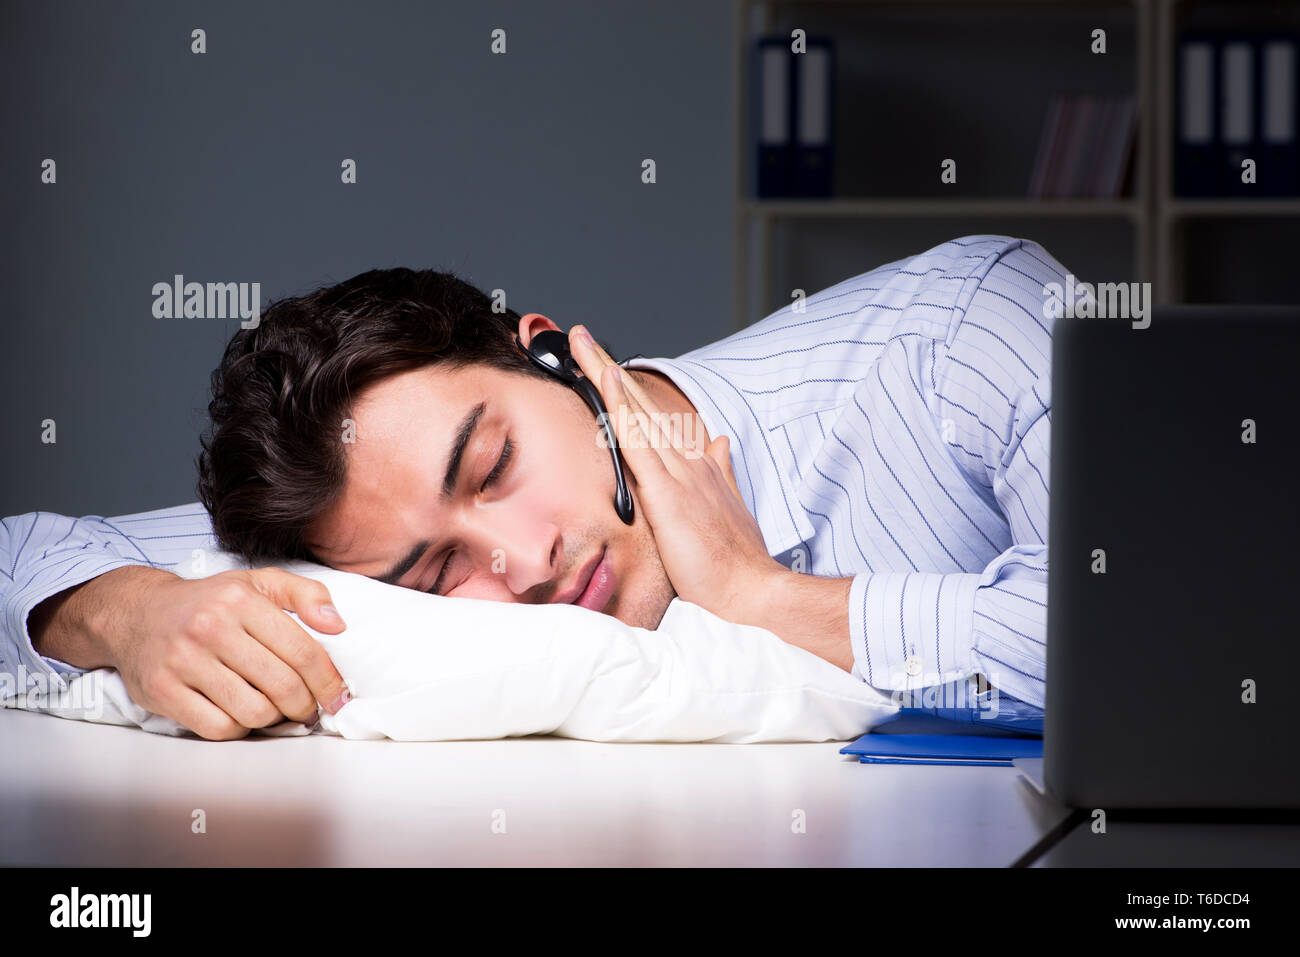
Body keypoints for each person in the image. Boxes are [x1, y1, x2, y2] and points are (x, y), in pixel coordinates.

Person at [1, 234, 1057, 739]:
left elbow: (1176, 644)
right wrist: (126, 616)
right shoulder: (350, 521)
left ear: (552, 358)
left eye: (492, 468)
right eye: (434, 569)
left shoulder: (960, 335)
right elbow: (22, 554)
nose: (521, 560)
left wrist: (764, 601)